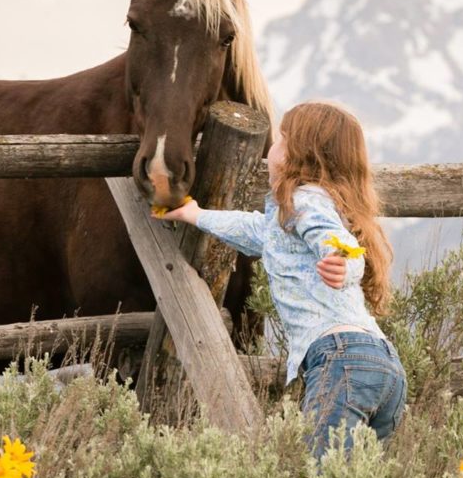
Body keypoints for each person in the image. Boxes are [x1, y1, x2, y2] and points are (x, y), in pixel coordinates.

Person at [162, 101, 405, 455]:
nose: (272, 148)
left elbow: (339, 243)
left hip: (342, 360)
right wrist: (196, 214)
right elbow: (253, 229)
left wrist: (343, 263)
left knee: (322, 477)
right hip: (382, 364)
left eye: (281, 139)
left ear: (298, 155)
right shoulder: (301, 216)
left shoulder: (306, 202)